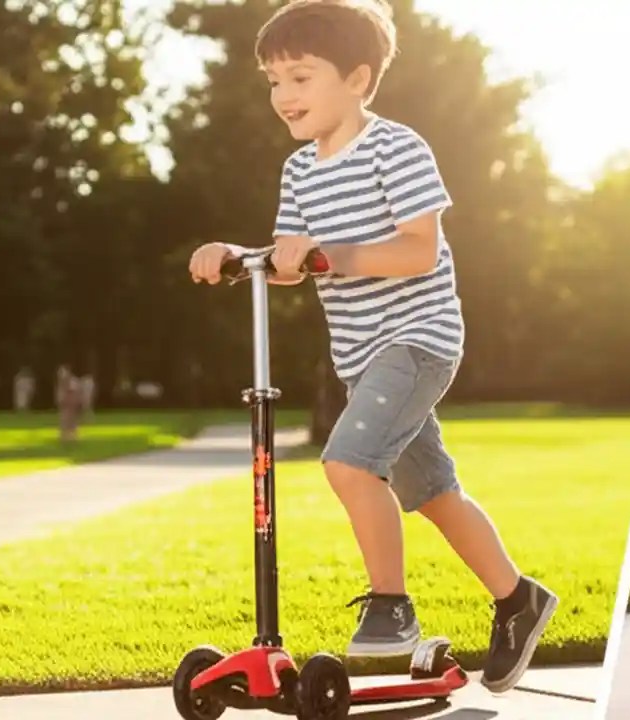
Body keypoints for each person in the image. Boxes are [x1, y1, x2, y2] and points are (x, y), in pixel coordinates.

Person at [186, 0, 557, 695]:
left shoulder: (398, 148)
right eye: (273, 81)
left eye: (300, 77)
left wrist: (330, 251)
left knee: (349, 464)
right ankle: (518, 600)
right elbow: (295, 261)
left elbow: (419, 252)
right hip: (363, 359)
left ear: (357, 78)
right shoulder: (299, 172)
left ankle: (391, 604)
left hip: (417, 341)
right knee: (434, 493)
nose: (283, 95)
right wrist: (237, 253)